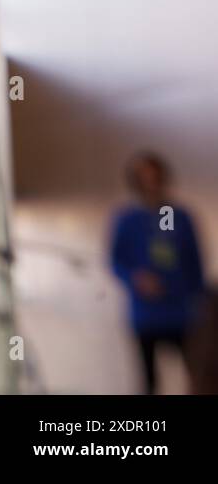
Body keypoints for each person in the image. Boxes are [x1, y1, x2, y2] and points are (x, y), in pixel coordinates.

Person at [109, 152, 206, 393]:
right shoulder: (127, 219)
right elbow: (116, 261)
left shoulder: (179, 217)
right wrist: (136, 279)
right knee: (149, 380)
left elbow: (195, 263)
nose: (151, 183)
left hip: (181, 312)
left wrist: (199, 300)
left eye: (155, 177)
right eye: (145, 178)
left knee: (198, 374)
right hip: (145, 314)